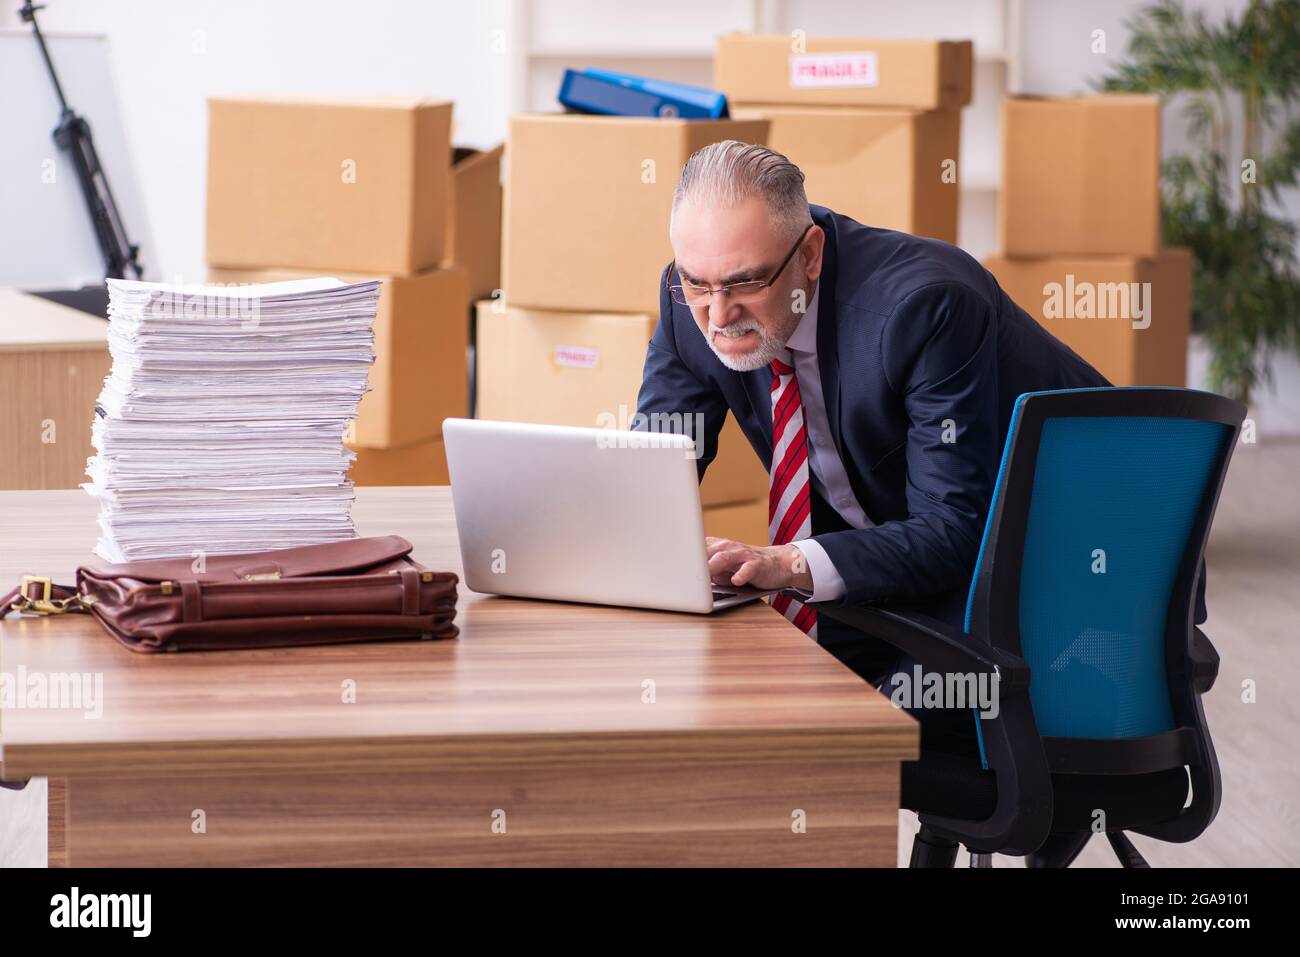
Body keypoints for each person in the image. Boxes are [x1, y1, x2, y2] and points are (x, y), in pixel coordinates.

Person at [636, 140, 1110, 688]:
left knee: (862, 729)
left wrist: (787, 563)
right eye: (696, 282)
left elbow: (952, 530)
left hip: (1052, 576)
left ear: (810, 254)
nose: (717, 314)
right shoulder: (684, 302)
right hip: (887, 572)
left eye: (746, 282)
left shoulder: (926, 306)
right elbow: (651, 474)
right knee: (730, 689)